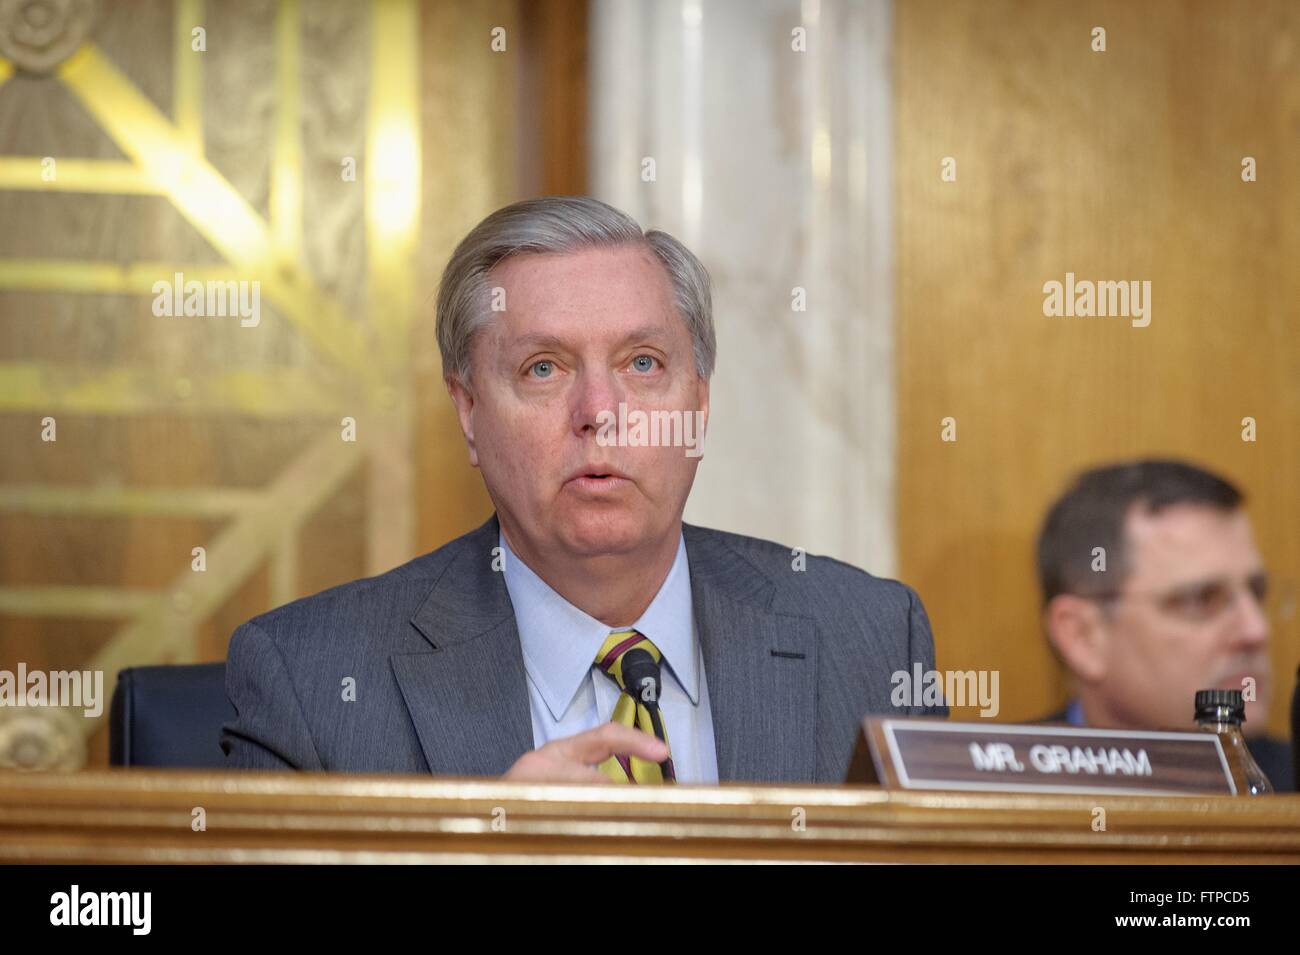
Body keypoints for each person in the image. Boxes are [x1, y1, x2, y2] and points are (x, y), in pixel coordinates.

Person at [220, 196, 945, 784]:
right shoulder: (311, 683)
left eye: (643, 363)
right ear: (468, 411)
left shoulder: (871, 640)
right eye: (543, 368)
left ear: (698, 404)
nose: (601, 410)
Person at [1036, 459, 1293, 790]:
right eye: (1201, 599)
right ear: (1083, 636)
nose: (1256, 630)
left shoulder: (1291, 783)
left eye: (1257, 593)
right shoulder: (991, 787)